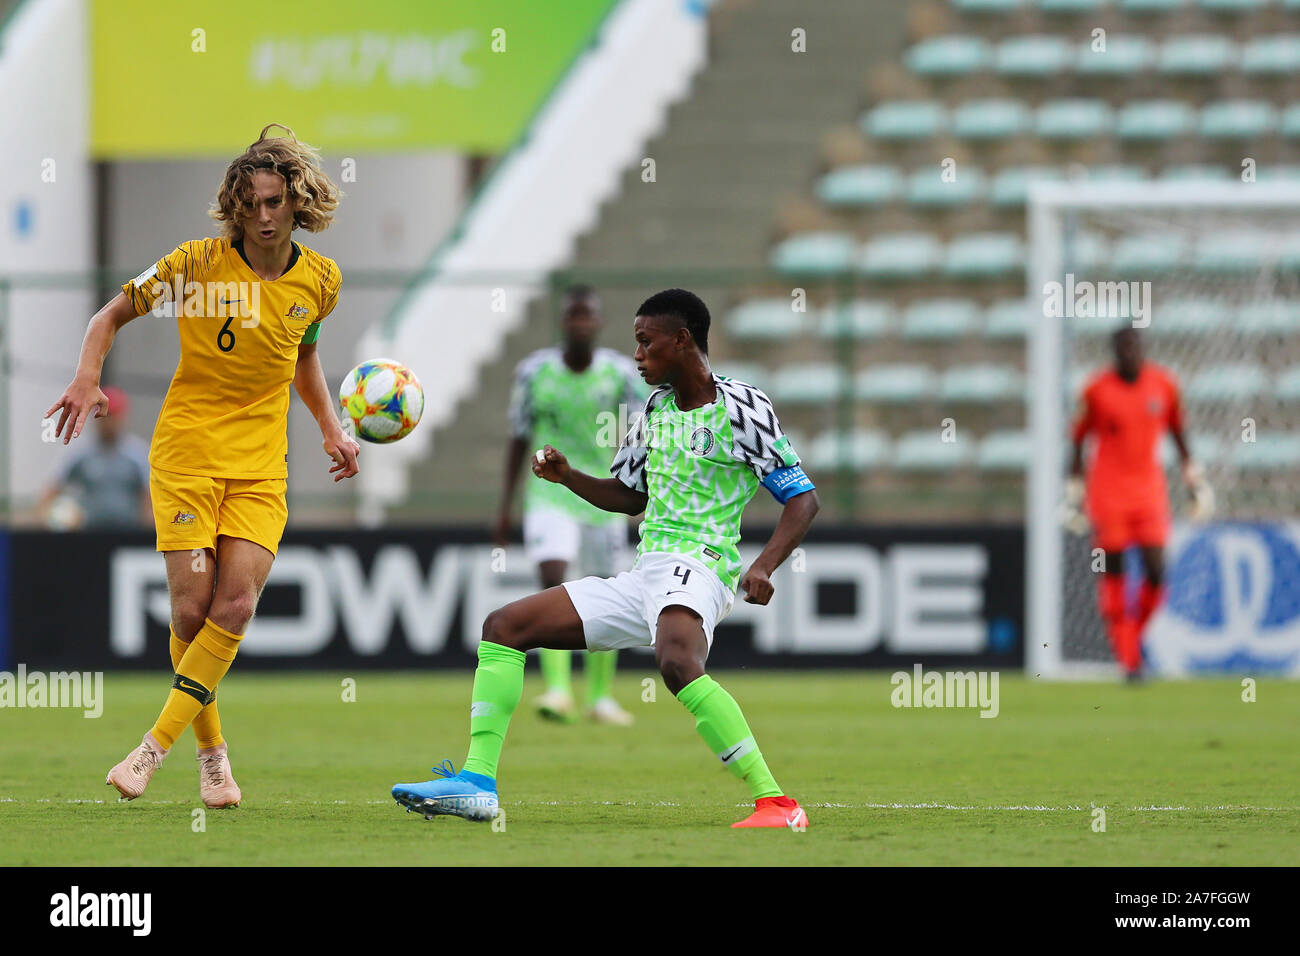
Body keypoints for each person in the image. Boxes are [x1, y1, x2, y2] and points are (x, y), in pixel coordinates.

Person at [394, 288, 820, 828]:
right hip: (647, 574)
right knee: (504, 626)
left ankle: (777, 804)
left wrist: (763, 566)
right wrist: (568, 476)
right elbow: (631, 496)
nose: (637, 355)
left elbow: (804, 498)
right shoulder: (656, 407)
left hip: (703, 564)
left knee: (676, 662)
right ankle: (477, 782)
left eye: (646, 343)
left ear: (682, 340)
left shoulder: (743, 407)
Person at [44, 123, 360, 807]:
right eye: (254, 203)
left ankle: (151, 750)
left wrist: (332, 429)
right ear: (238, 206)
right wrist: (87, 376)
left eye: (278, 202)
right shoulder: (194, 264)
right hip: (187, 454)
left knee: (237, 604)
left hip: (258, 467)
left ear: (297, 203)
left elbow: (301, 358)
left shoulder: (321, 281)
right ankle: (213, 755)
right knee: (191, 613)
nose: (267, 216)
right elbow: (108, 316)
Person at [495, 286, 647, 726]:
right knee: (551, 574)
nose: (580, 322)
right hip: (549, 493)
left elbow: (640, 435)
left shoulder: (620, 374)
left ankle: (599, 698)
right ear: (563, 322)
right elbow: (519, 436)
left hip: (602, 493)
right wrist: (504, 507)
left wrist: (638, 492)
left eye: (588, 315)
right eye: (573, 315)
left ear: (598, 323)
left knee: (606, 589)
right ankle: (558, 689)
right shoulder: (534, 372)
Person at [1067, 326, 1211, 682]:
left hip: (1149, 494)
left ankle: (1130, 638)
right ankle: (1130, 661)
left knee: (1157, 572)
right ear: (1114, 352)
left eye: (1135, 347)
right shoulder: (1096, 389)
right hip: (1107, 494)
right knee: (1113, 573)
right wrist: (1072, 493)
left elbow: (1180, 436)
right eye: (1123, 348)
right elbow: (1077, 442)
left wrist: (1195, 483)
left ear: (1143, 349)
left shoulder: (1164, 385)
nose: (1130, 354)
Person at [38, 385, 150, 529]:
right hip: (89, 534)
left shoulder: (137, 453)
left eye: (112, 416)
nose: (108, 422)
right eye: (103, 416)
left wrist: (148, 529)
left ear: (122, 417)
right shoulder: (80, 452)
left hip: (127, 533)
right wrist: (46, 518)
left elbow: (148, 495)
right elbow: (52, 488)